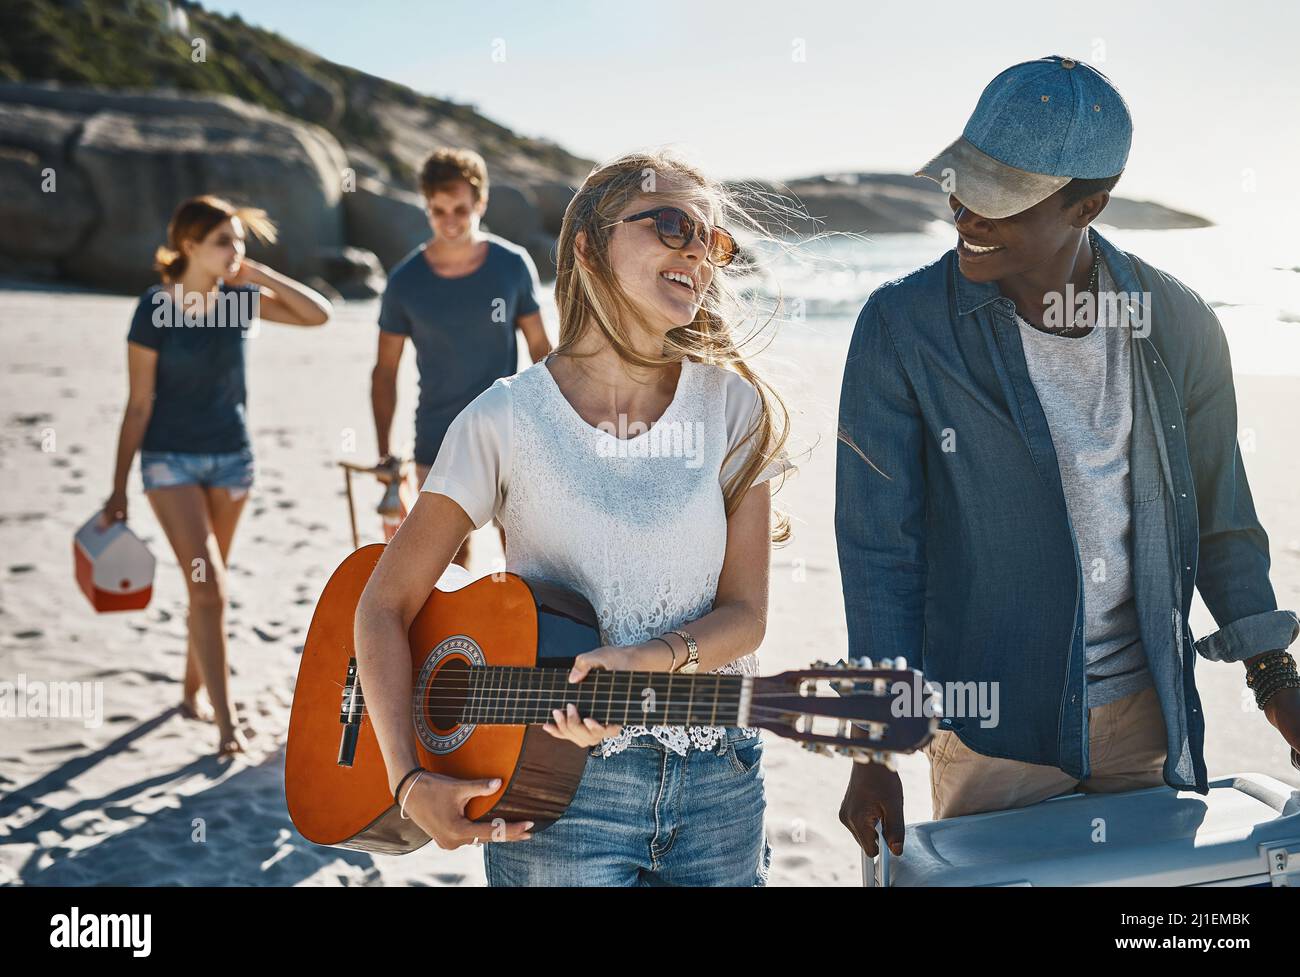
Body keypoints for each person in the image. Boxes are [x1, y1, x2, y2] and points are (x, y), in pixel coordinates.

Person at [835, 55, 1300, 858]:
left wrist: (1276, 679)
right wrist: (873, 749)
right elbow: (881, 550)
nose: (964, 213)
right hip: (991, 730)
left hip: (1145, 713)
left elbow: (1222, 522)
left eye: (999, 197)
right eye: (962, 181)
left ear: (1089, 204)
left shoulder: (1180, 325)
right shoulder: (899, 329)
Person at [354, 150, 795, 885]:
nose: (698, 251)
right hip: (554, 797)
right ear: (588, 245)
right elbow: (383, 604)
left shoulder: (732, 407)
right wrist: (407, 779)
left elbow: (746, 615)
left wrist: (645, 659)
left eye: (713, 241)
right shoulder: (505, 418)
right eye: (674, 224)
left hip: (722, 782)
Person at [102, 194, 332, 756]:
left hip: (233, 462)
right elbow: (138, 404)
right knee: (210, 588)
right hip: (168, 462)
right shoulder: (155, 308)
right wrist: (117, 488)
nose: (236, 252)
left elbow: (317, 314)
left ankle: (190, 693)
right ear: (188, 246)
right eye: (224, 242)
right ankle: (226, 724)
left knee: (207, 589)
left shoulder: (241, 300)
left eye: (240, 242)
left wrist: (258, 272)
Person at [370, 147, 551, 568]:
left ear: (481, 203)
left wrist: (555, 425)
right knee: (449, 567)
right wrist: (385, 456)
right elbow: (385, 371)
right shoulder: (405, 281)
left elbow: (542, 349)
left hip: (510, 432)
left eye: (460, 209)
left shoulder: (511, 266)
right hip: (437, 437)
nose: (449, 221)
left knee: (524, 560)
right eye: (438, 211)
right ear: (426, 207)